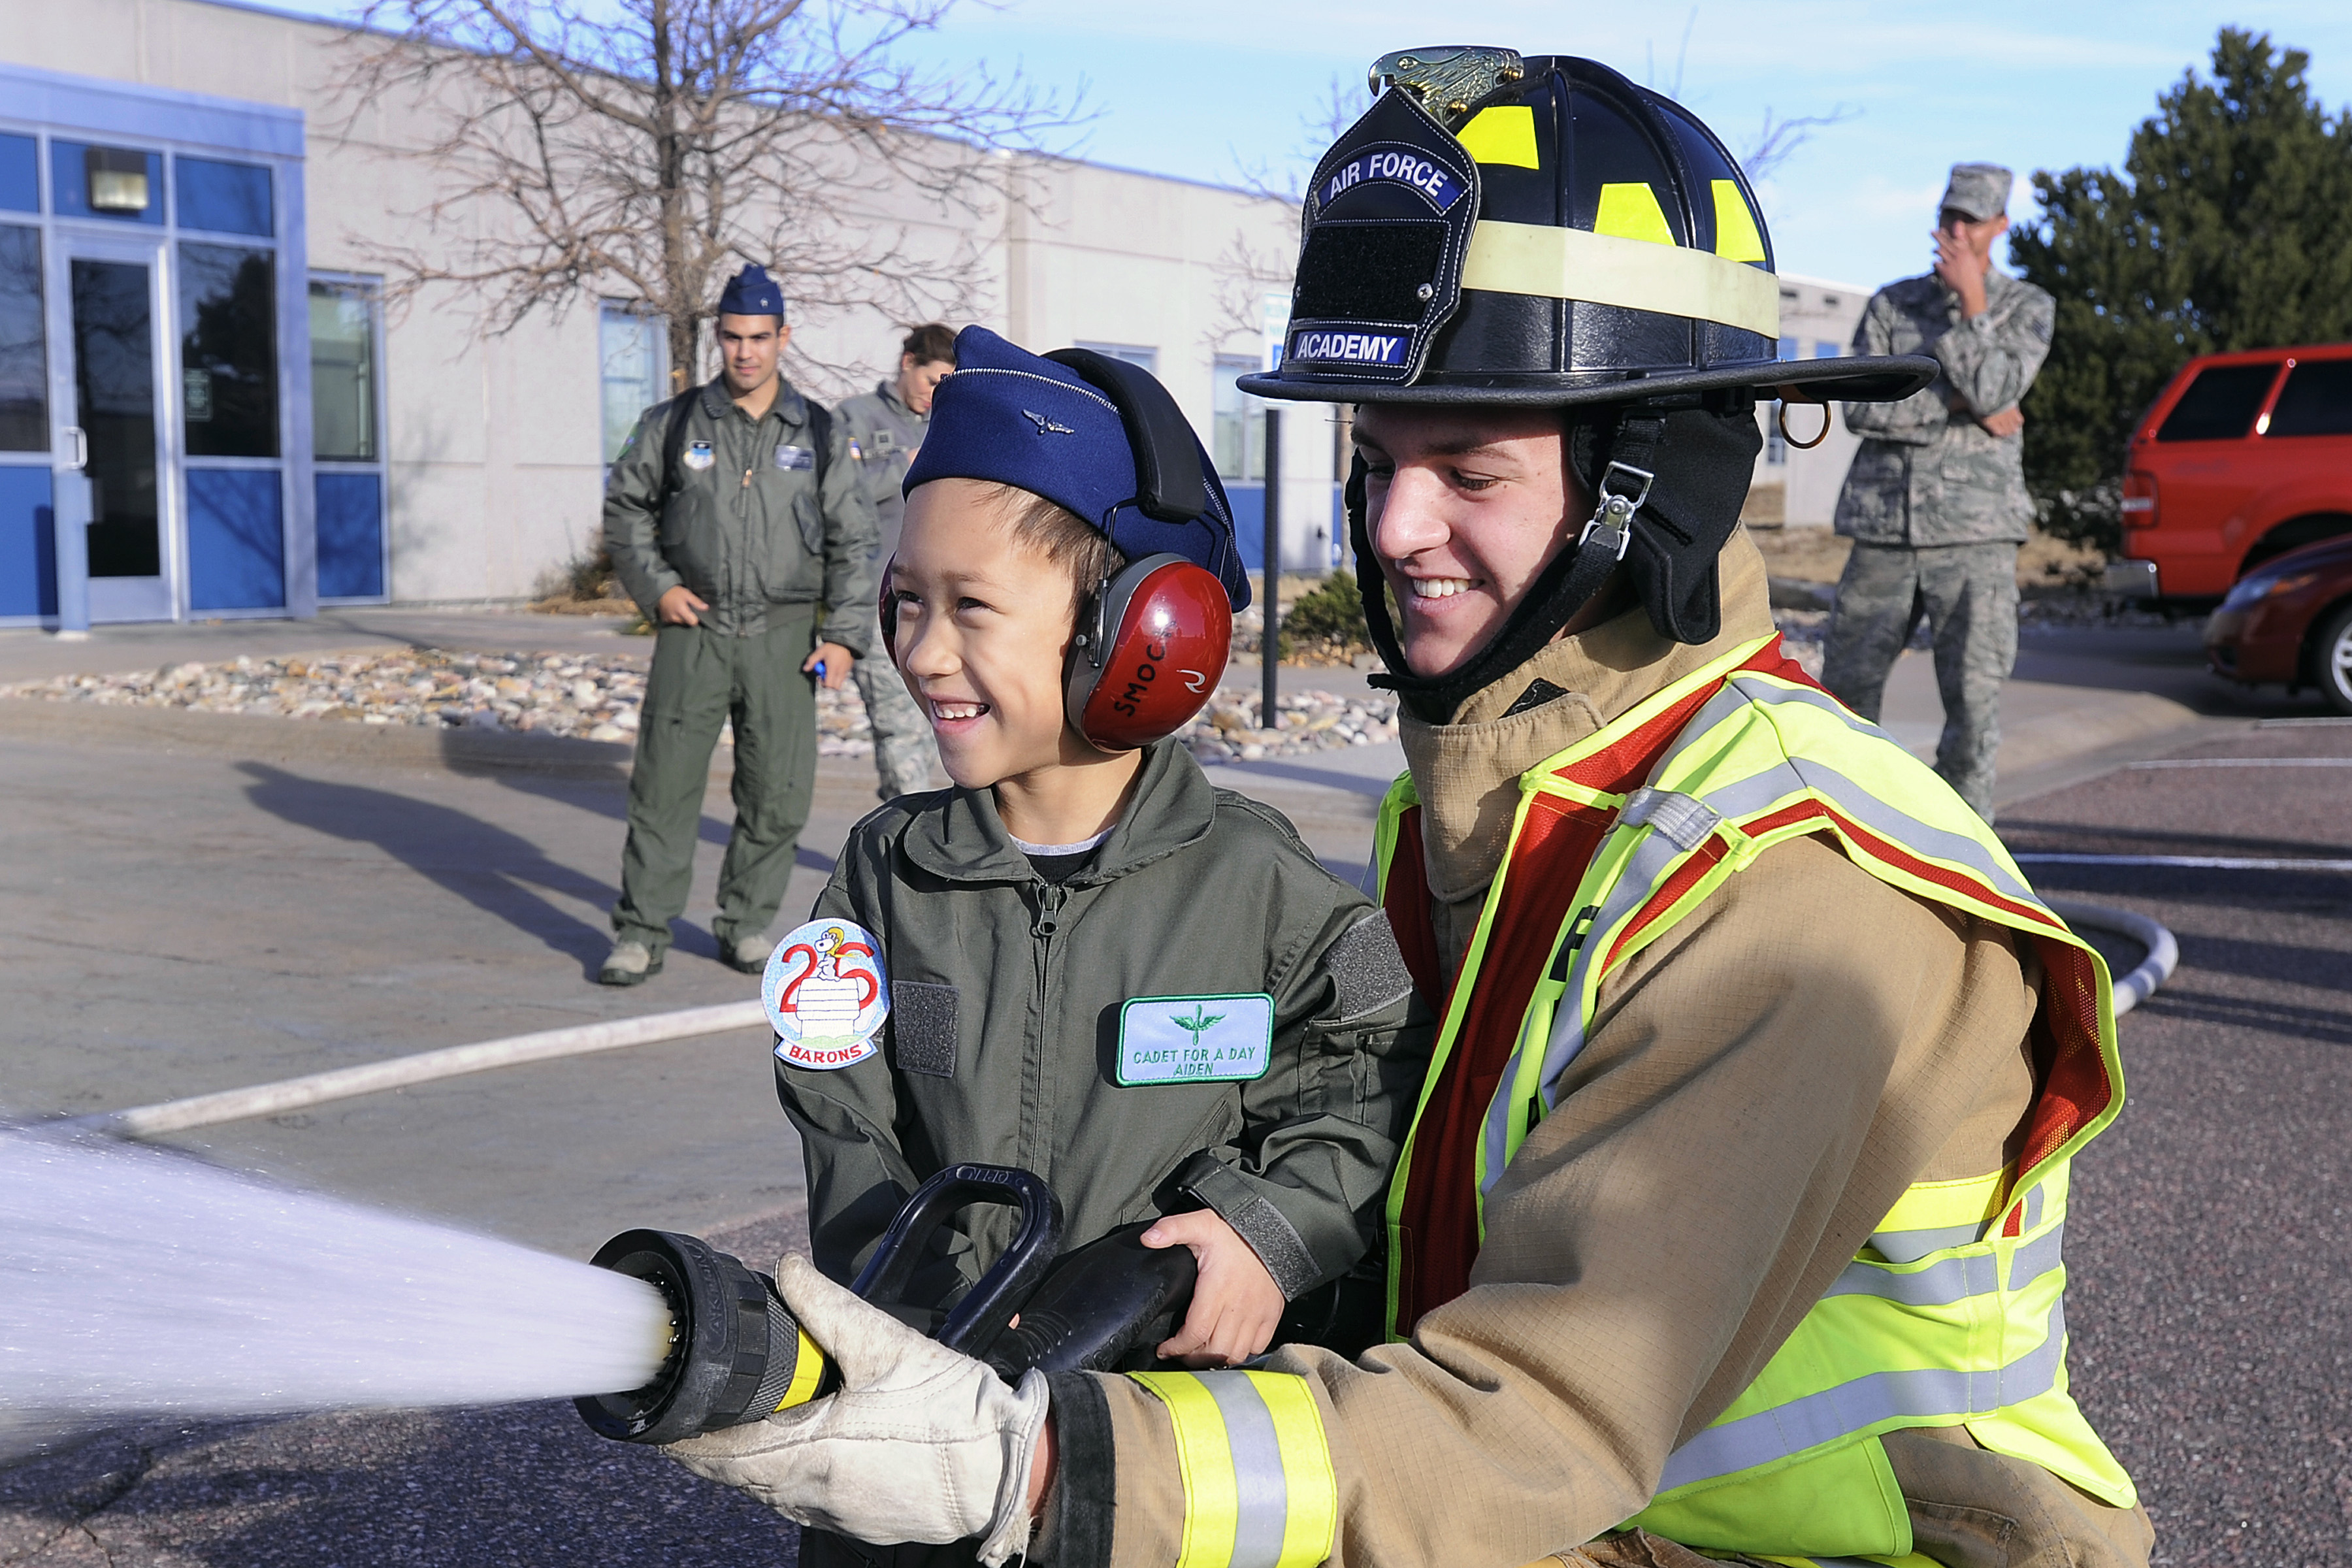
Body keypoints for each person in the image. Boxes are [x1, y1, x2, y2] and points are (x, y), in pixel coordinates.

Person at [664, 50, 2153, 1568]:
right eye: (1378, 459)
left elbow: (1537, 1420)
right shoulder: (1480, 814)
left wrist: (1042, 1463)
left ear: (1661, 483)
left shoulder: (1795, 893)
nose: (1392, 525)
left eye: (1470, 471)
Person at [775, 325, 1431, 1567]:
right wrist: (909, 1319)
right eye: (905, 602)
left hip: (1149, 1450)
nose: (920, 650)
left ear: (1138, 633)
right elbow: (838, 1111)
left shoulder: (1263, 891)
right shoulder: (882, 875)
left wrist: (1260, 1231)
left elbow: (1371, 1086)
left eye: (971, 608)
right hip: (924, 1431)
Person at [598, 264, 877, 985]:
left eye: (758, 337)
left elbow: (855, 539)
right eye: (731, 338)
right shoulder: (673, 424)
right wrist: (657, 589)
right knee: (663, 789)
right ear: (717, 339)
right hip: (696, 631)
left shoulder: (819, 430)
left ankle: (747, 924)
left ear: (784, 338)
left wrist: (844, 635)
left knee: (777, 794)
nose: (745, 352)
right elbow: (625, 509)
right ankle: (641, 932)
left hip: (784, 640)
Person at [1821, 163, 2056, 821]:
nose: (1955, 231)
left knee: (1973, 708)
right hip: (1886, 530)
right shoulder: (1893, 304)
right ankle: (1849, 836)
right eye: (1949, 216)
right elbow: (1863, 410)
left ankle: (1965, 867)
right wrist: (1953, 403)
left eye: (1971, 220)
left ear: (1999, 226)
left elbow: (1997, 389)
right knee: (1846, 696)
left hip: (1976, 534)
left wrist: (1973, 307)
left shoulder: (2027, 308)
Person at [836, 323, 956, 800]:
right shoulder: (855, 419)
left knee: (937, 726)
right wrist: (900, 468)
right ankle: (903, 841)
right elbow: (833, 500)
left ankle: (916, 834)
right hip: (878, 602)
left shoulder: (950, 425)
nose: (935, 396)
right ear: (908, 363)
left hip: (941, 604)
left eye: (946, 387)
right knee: (899, 729)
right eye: (931, 382)